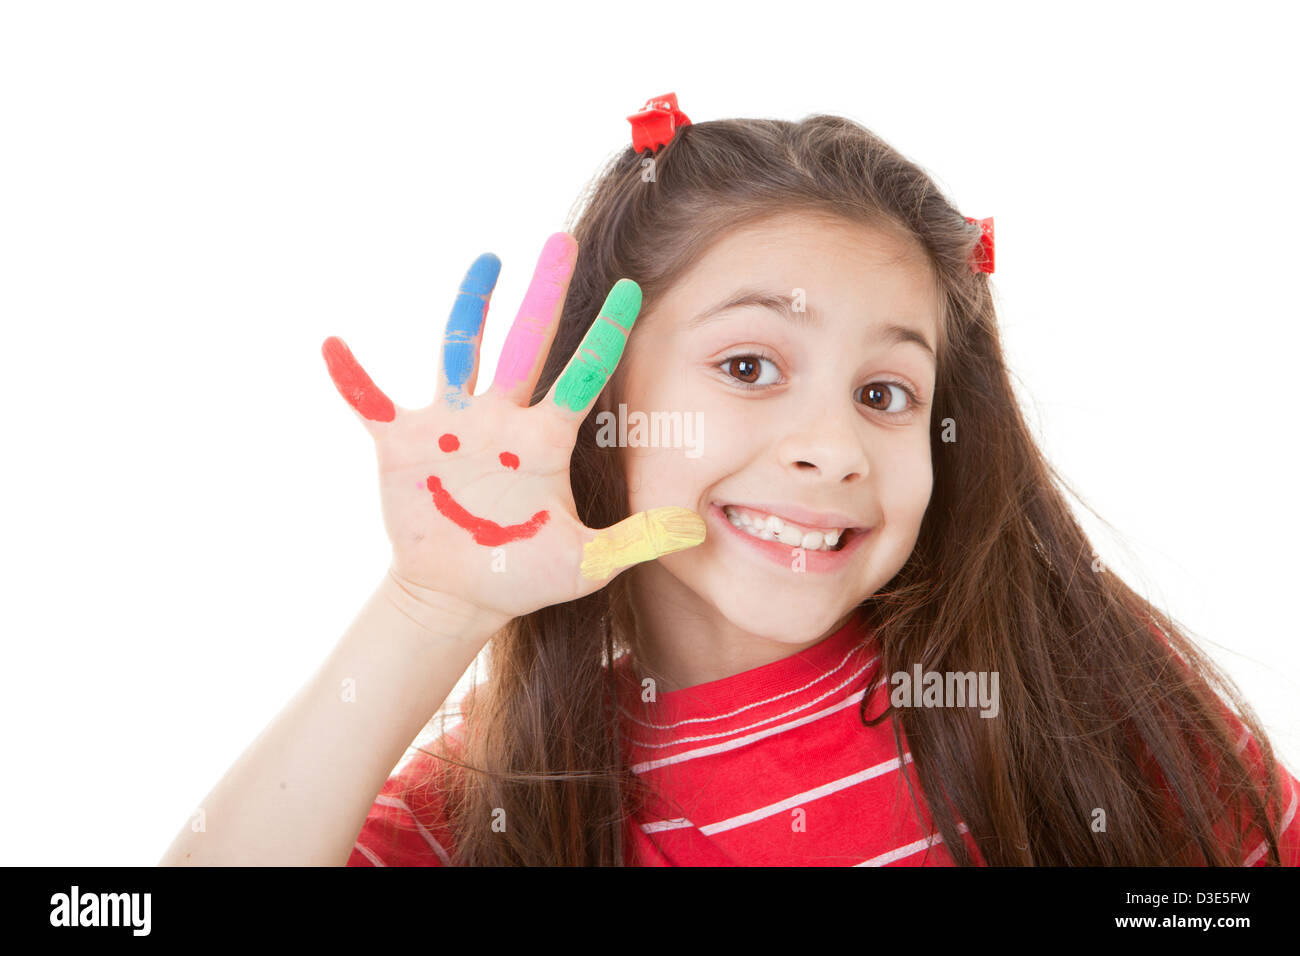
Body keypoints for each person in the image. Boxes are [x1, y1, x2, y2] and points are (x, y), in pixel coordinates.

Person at [160, 95, 1300, 867]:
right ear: (599, 401)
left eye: (885, 392)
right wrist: (432, 607)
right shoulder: (490, 798)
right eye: (750, 366)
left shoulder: (1057, 675)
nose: (836, 447)